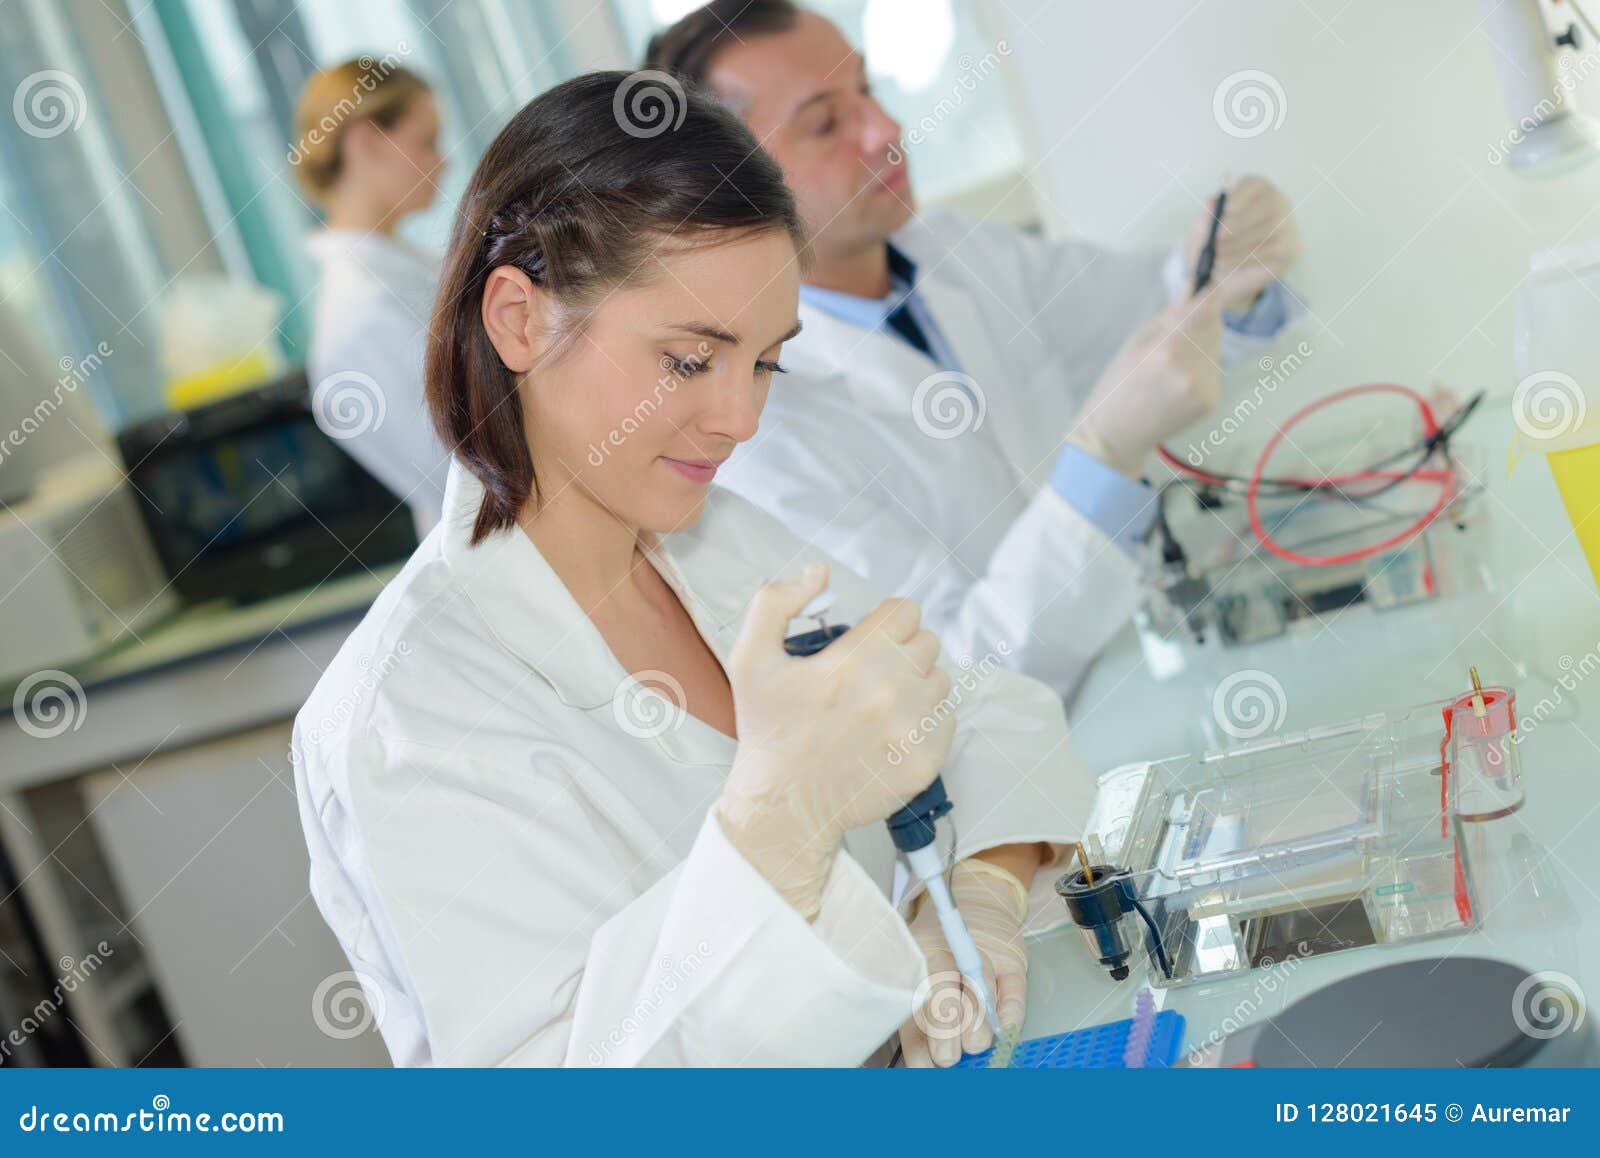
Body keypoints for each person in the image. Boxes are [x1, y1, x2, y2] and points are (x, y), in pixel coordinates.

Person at [292, 72, 1098, 1068]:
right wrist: (774, 827)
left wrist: (979, 888)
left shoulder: (726, 544)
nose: (739, 419)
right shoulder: (405, 714)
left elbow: (975, 702)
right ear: (518, 320)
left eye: (765, 362)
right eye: (687, 360)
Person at [645, 2, 1303, 700]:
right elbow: (957, 668)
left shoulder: (958, 253)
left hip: (1147, 674)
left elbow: (1156, 314)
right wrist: (1101, 461)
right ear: (725, 193)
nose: (887, 130)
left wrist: (1231, 274)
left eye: (866, 91)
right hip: (1024, 769)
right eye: (827, 123)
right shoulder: (757, 439)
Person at [293, 59, 452, 534]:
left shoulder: (407, 268)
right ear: (366, 142)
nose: (443, 161)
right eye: (427, 142)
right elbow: (455, 478)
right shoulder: (358, 319)